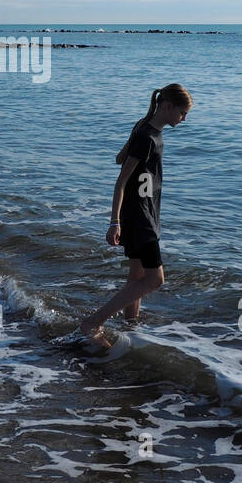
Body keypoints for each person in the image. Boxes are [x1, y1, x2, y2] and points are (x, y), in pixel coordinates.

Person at [78, 83, 193, 345]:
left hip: (142, 212)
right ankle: (92, 323)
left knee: (137, 276)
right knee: (155, 279)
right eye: (183, 112)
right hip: (140, 218)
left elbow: (120, 158)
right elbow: (120, 180)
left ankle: (131, 329)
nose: (184, 119)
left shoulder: (144, 127)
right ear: (167, 107)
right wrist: (114, 222)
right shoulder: (147, 137)